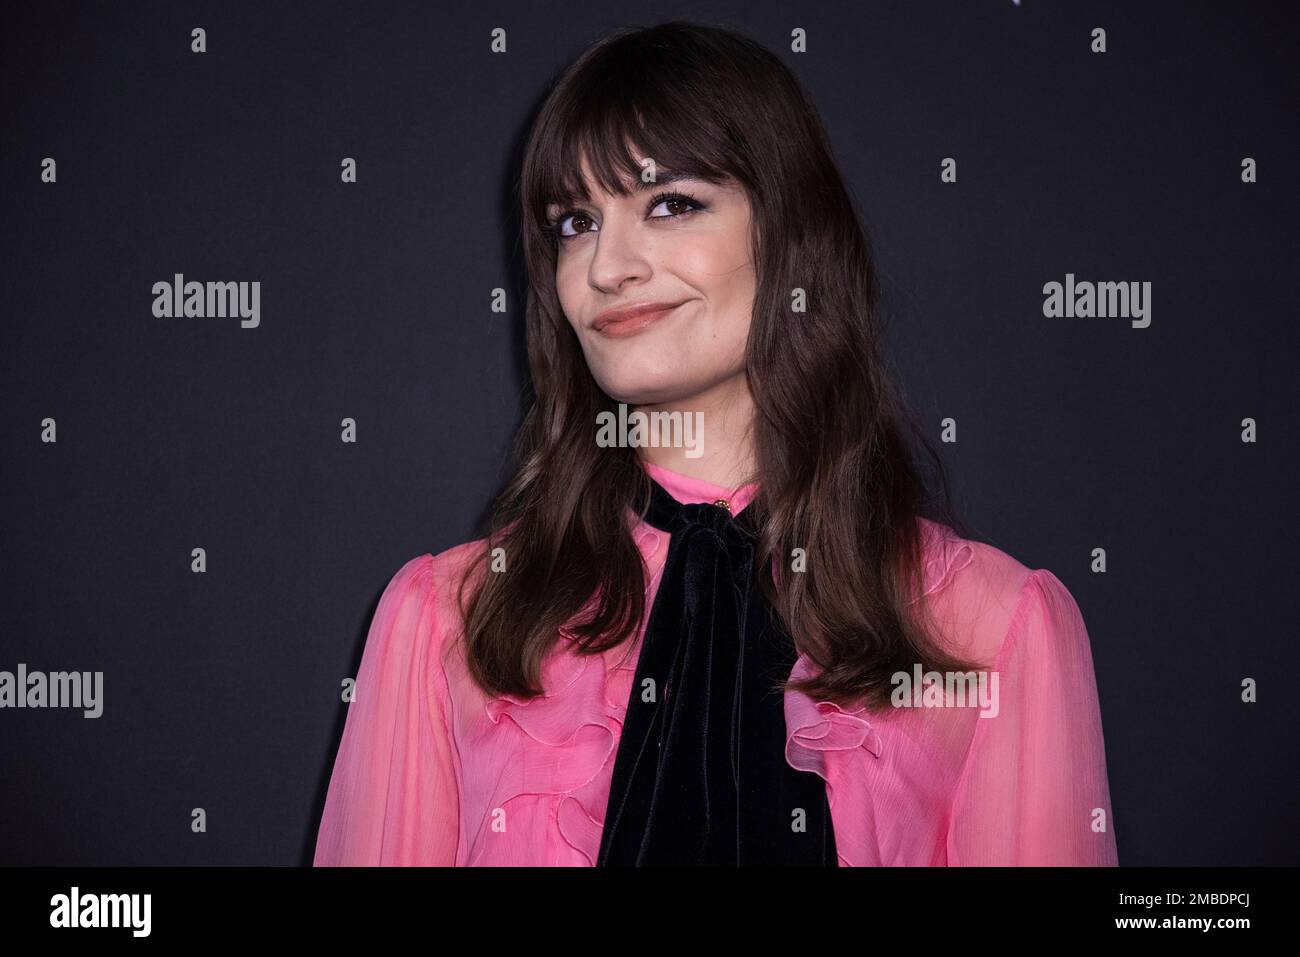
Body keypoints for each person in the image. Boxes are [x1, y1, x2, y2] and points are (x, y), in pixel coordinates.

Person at [313, 21, 1118, 867]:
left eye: (670, 204)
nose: (607, 267)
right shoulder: (447, 622)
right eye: (576, 222)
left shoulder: (992, 629)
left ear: (789, 233)